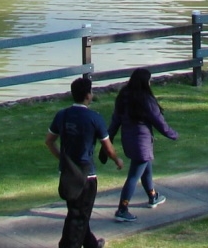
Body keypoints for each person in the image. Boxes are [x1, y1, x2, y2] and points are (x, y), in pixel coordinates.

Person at [47, 77, 122, 248]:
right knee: (79, 216)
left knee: (77, 212)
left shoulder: (62, 115)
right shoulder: (94, 118)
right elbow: (108, 148)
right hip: (87, 176)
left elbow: (49, 141)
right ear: (88, 95)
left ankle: (92, 244)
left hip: (67, 175)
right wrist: (117, 160)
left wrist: (62, 159)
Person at [108, 69, 178, 223]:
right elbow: (158, 121)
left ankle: (153, 196)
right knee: (134, 175)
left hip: (129, 141)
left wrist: (109, 138)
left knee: (146, 166)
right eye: (149, 80)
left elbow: (115, 121)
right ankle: (122, 208)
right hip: (141, 143)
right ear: (144, 82)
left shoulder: (123, 96)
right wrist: (172, 134)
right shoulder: (145, 99)